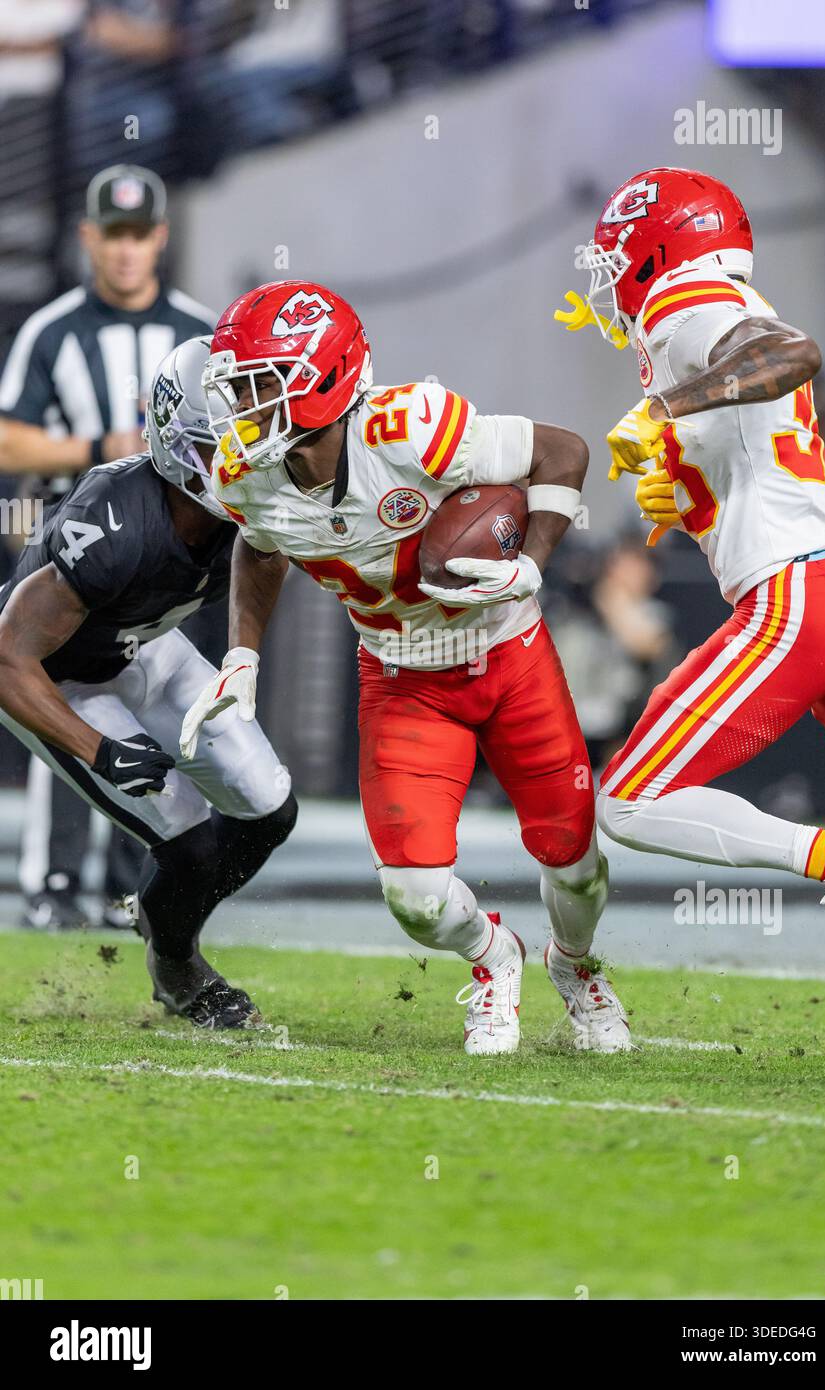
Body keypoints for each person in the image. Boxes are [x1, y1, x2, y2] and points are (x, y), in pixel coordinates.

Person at [179, 278, 631, 1056]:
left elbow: (563, 452)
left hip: (510, 652)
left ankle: (578, 966)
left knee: (575, 860)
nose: (239, 409)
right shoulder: (242, 471)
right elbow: (260, 543)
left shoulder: (410, 427)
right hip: (402, 676)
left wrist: (537, 563)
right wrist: (243, 653)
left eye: (258, 385)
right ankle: (495, 959)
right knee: (416, 899)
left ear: (324, 379)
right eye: (236, 388)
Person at [558, 165, 825, 994]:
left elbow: (790, 355)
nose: (611, 279)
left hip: (795, 597)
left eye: (618, 255)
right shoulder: (717, 301)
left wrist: (668, 411)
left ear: (660, 247)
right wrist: (697, 483)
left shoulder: (683, 303)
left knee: (630, 799)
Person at [0, 338, 296, 1027]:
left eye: (250, 438)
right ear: (176, 443)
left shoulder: (251, 498)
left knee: (269, 809)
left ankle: (164, 912)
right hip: (60, 677)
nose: (242, 459)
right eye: (223, 443)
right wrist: (98, 749)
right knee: (187, 842)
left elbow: (266, 550)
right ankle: (179, 967)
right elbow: (9, 656)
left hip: (147, 649)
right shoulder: (115, 524)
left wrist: (242, 654)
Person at [0, 162, 215, 930]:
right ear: (89, 237)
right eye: (111, 235)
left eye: (138, 234)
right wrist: (100, 444)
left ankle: (139, 886)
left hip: (170, 560)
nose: (125, 251)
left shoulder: (200, 331)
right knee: (60, 703)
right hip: (75, 555)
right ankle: (54, 884)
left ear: (159, 237)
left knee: (159, 717)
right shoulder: (53, 329)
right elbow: (6, 439)